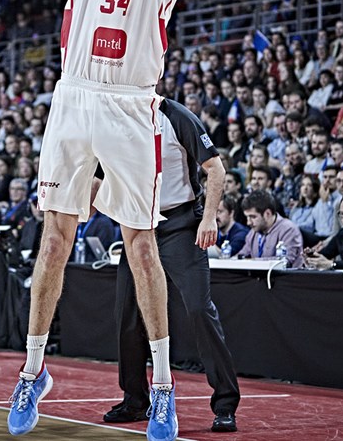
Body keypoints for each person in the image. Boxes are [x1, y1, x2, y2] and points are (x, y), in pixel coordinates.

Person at [8, 0, 194, 441]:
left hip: (128, 106)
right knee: (54, 241)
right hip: (75, 97)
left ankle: (165, 390)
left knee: (141, 246)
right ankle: (34, 370)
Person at [105, 98, 238, 433]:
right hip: (137, 225)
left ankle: (225, 402)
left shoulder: (176, 116)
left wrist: (209, 218)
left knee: (197, 307)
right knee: (128, 314)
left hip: (180, 225)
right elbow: (100, 175)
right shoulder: (114, 119)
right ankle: (135, 400)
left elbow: (216, 168)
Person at [237, 190, 305, 268]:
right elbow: (241, 256)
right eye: (247, 217)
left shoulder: (288, 230)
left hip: (285, 278)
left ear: (267, 213)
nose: (248, 222)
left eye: (253, 217)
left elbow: (284, 262)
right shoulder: (253, 232)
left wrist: (252, 261)